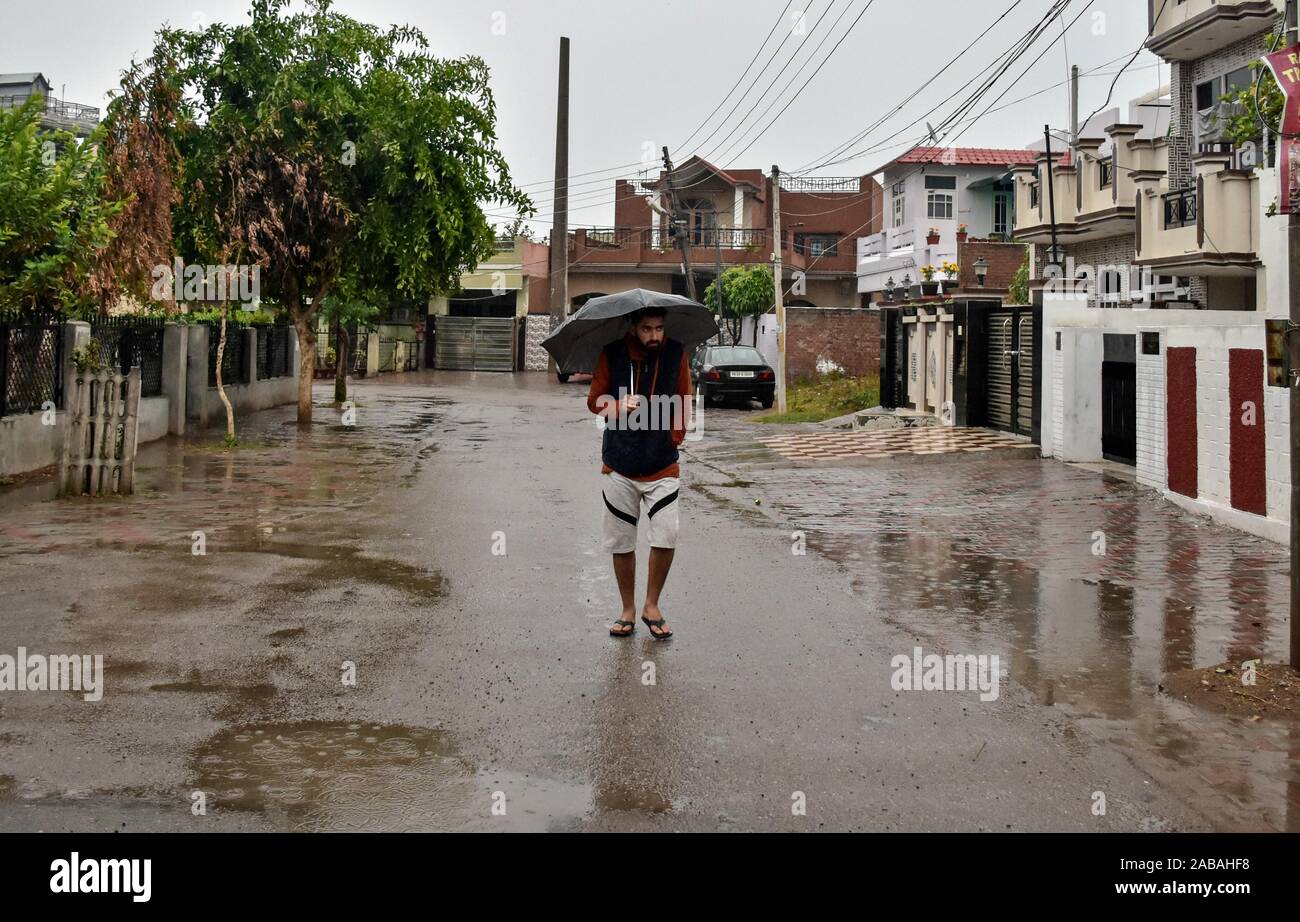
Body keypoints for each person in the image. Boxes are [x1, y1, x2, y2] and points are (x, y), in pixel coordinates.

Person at [586, 306, 693, 640]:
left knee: (667, 534)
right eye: (647, 329)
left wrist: (672, 438)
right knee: (621, 540)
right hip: (619, 463)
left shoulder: (676, 353)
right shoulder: (612, 354)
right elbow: (594, 401)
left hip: (662, 465)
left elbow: (684, 399)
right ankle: (627, 610)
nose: (654, 336)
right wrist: (618, 407)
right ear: (633, 327)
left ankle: (652, 605)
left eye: (659, 329)